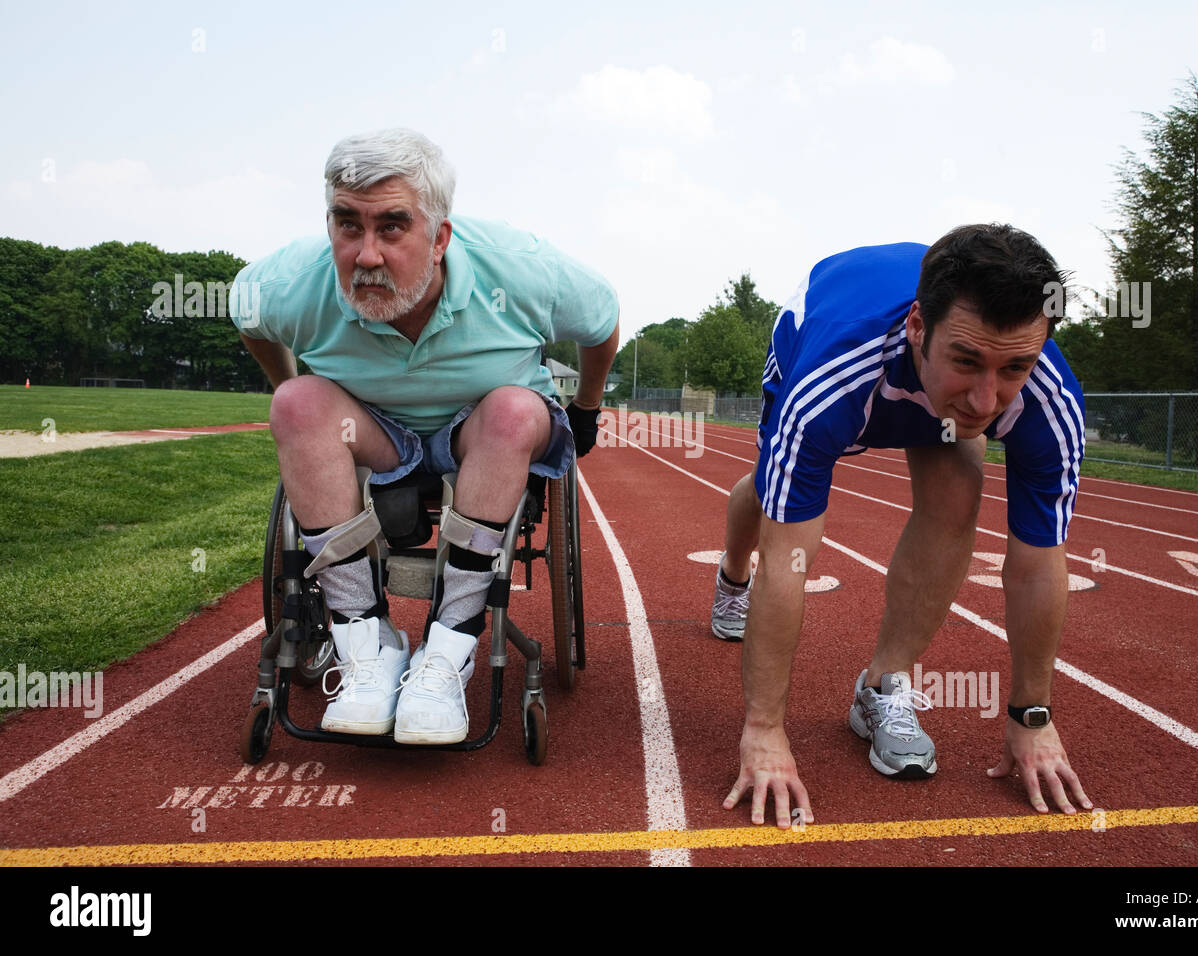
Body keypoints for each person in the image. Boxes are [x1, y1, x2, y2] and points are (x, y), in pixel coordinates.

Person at [230, 128, 618, 745]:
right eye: (348, 225)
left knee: (512, 412)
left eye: (392, 227)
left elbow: (603, 323)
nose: (366, 255)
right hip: (375, 433)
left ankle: (449, 651)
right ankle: (367, 646)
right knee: (296, 403)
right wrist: (296, 392)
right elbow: (248, 319)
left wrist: (587, 409)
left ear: (439, 238)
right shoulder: (288, 283)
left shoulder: (524, 270)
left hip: (487, 429)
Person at [711, 224, 1091, 827]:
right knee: (767, 496)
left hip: (924, 392)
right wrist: (763, 730)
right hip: (829, 344)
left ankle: (883, 684)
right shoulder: (827, 383)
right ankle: (732, 577)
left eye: (1015, 367)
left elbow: (1037, 564)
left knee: (958, 490)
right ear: (918, 326)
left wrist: (1032, 716)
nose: (987, 400)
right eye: (967, 360)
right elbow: (787, 560)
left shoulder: (1049, 400)